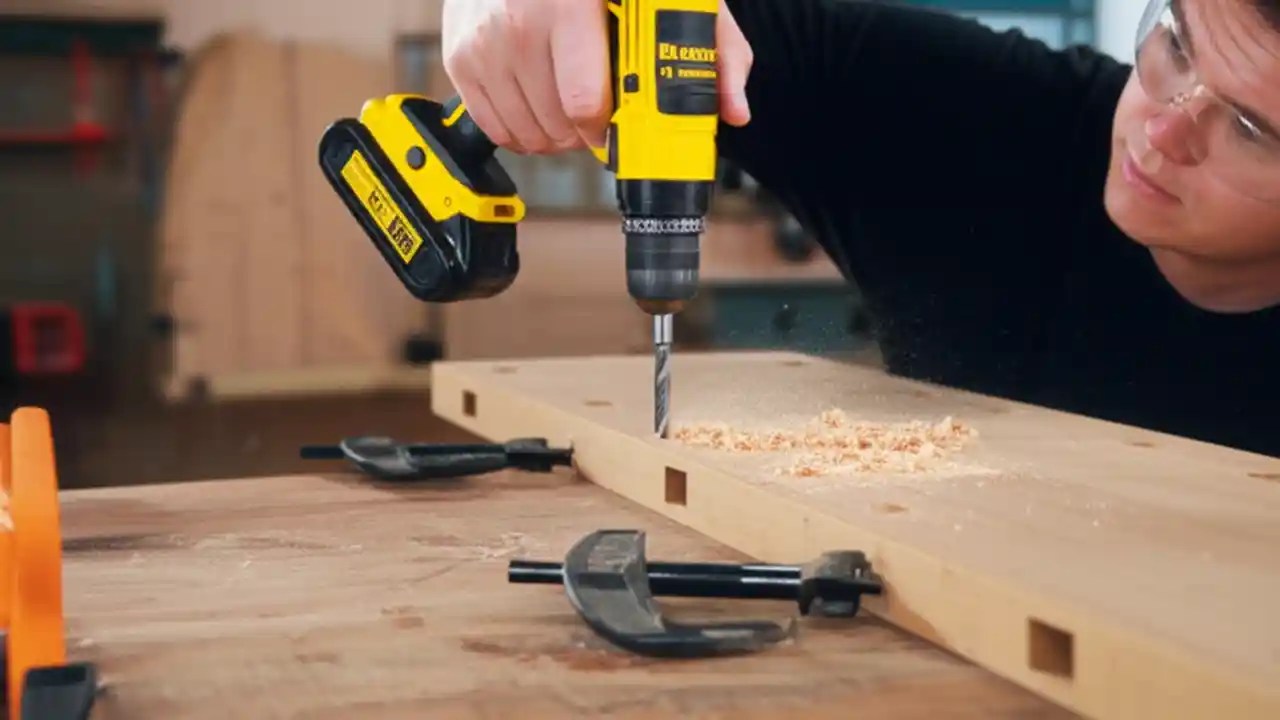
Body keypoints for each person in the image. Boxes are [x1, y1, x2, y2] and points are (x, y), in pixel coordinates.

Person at [439, 0, 1280, 459]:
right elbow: (695, 22)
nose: (1162, 128)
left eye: (1247, 129)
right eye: (1175, 43)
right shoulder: (989, 119)